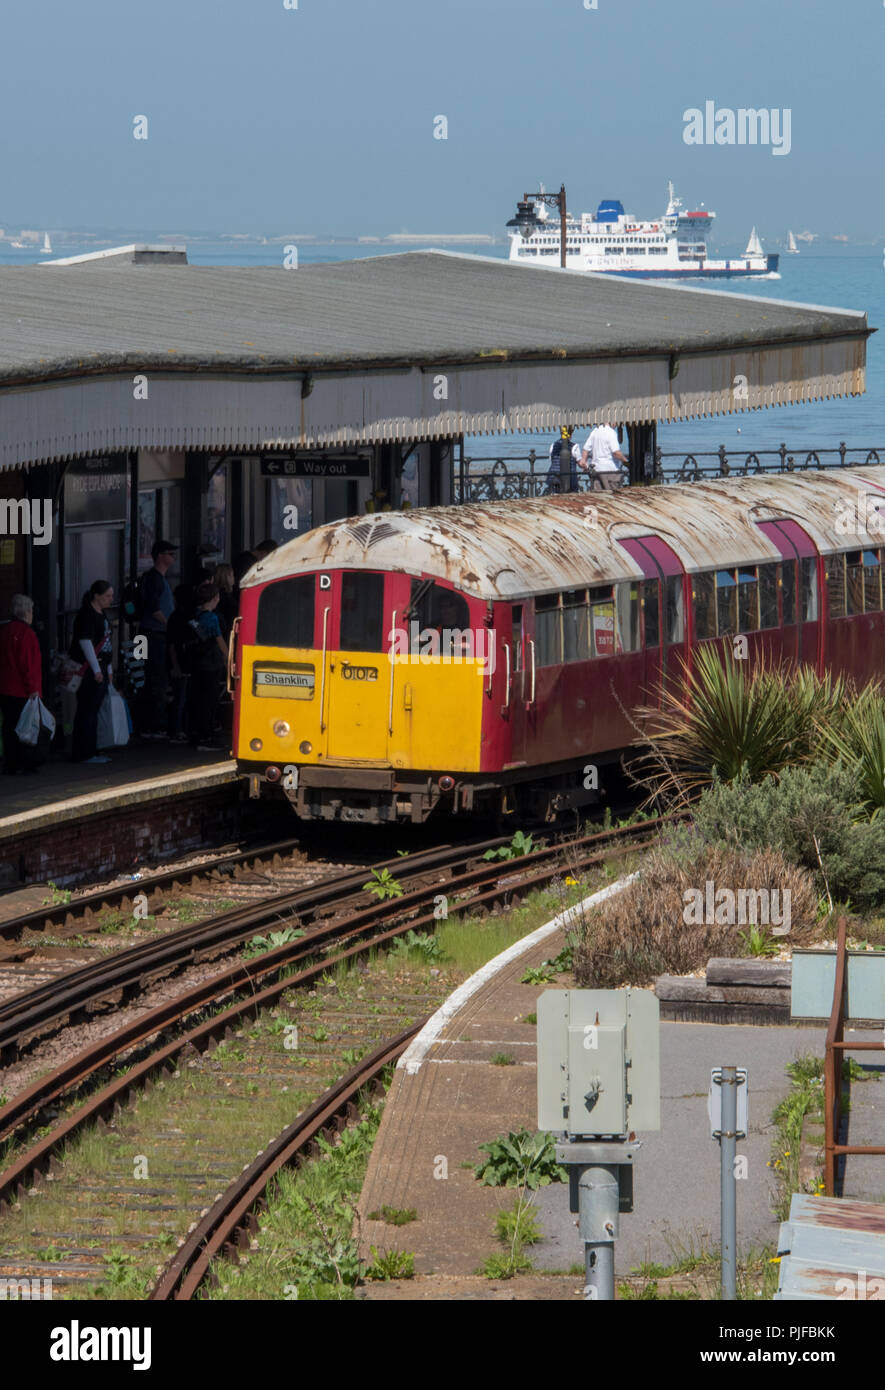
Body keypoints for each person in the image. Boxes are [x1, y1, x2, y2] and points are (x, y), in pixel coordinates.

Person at [71, 580, 114, 764]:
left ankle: (92, 749)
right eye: (107, 596)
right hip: (91, 669)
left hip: (100, 666)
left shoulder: (100, 613)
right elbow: (85, 642)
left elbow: (105, 643)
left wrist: (109, 668)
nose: (110, 600)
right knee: (87, 710)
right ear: (96, 596)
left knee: (93, 710)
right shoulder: (87, 615)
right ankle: (84, 752)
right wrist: (97, 670)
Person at [0, 594, 43, 775]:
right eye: (31, 610)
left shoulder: (4, 630)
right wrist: (33, 688)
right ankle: (26, 761)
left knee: (9, 727)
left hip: (5, 687)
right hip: (22, 689)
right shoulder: (26, 633)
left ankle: (11, 762)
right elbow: (27, 664)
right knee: (26, 728)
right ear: (26, 612)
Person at [138, 540, 177, 738]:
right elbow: (154, 609)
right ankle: (153, 725)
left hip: (151, 635)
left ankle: (152, 723)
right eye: (171, 553)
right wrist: (170, 626)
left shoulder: (157, 578)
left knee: (155, 677)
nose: (174, 558)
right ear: (161, 555)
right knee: (156, 678)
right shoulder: (154, 579)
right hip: (153, 635)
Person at [187, 581, 229, 752]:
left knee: (198, 700)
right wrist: (229, 658)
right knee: (210, 701)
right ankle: (208, 736)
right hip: (211, 664)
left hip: (197, 664)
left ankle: (197, 734)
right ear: (215, 598)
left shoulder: (194, 616)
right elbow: (219, 641)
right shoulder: (212, 618)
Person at [166, 584, 194, 744]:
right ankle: (178, 729)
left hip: (178, 661)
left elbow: (171, 644)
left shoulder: (174, 616)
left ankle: (177, 730)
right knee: (182, 698)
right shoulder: (187, 616)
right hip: (184, 661)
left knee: (180, 697)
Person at [581, 422, 629, 491]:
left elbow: (585, 449)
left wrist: (584, 462)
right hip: (610, 471)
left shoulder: (595, 431)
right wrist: (626, 461)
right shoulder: (611, 433)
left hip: (597, 470)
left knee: (598, 496)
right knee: (612, 494)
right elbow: (616, 452)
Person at [547, 425, 583, 494]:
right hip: (570, 478)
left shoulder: (553, 445)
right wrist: (585, 466)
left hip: (553, 476)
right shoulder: (574, 447)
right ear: (571, 434)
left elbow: (551, 459)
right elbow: (580, 463)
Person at [212, 563, 237, 638]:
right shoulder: (223, 595)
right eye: (232, 575)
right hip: (225, 633)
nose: (233, 578)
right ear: (226, 577)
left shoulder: (217, 593)